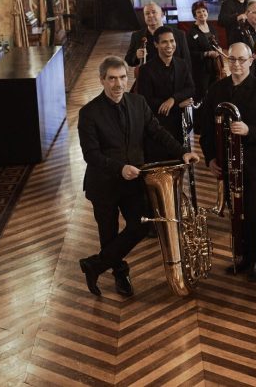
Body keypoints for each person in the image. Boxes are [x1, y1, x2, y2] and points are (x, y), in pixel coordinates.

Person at [78, 56, 200, 297]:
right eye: (111, 78)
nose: (117, 84)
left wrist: (183, 151)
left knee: (140, 226)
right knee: (108, 234)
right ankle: (120, 274)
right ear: (102, 80)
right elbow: (91, 155)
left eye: (122, 77)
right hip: (104, 184)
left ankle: (94, 265)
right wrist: (119, 168)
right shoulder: (89, 112)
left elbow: (157, 131)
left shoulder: (138, 102)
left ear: (128, 77)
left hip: (133, 181)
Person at [196, 42, 256, 281]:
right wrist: (210, 158)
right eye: (232, 59)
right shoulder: (216, 89)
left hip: (251, 163)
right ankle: (241, 256)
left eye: (241, 60)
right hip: (225, 163)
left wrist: (248, 130)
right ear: (226, 60)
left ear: (251, 60)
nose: (237, 64)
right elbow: (205, 130)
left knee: (251, 213)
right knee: (235, 213)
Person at [136, 26, 196, 161]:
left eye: (172, 41)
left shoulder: (182, 64)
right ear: (156, 44)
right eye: (164, 42)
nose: (170, 45)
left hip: (179, 126)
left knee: (179, 162)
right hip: (157, 127)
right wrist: (178, 104)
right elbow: (146, 101)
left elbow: (191, 88)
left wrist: (173, 99)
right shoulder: (146, 70)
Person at [125, 2, 191, 71]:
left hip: (173, 78)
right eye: (147, 13)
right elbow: (128, 60)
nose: (150, 15)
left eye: (154, 12)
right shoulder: (137, 35)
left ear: (162, 14)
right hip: (148, 79)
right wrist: (136, 56)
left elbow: (187, 62)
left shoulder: (179, 35)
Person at [186, 1, 222, 103]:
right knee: (201, 95)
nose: (202, 14)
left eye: (204, 10)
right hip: (201, 71)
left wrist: (218, 49)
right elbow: (189, 53)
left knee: (214, 92)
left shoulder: (211, 28)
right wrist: (206, 54)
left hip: (214, 68)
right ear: (194, 15)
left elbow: (217, 43)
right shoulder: (191, 32)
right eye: (198, 12)